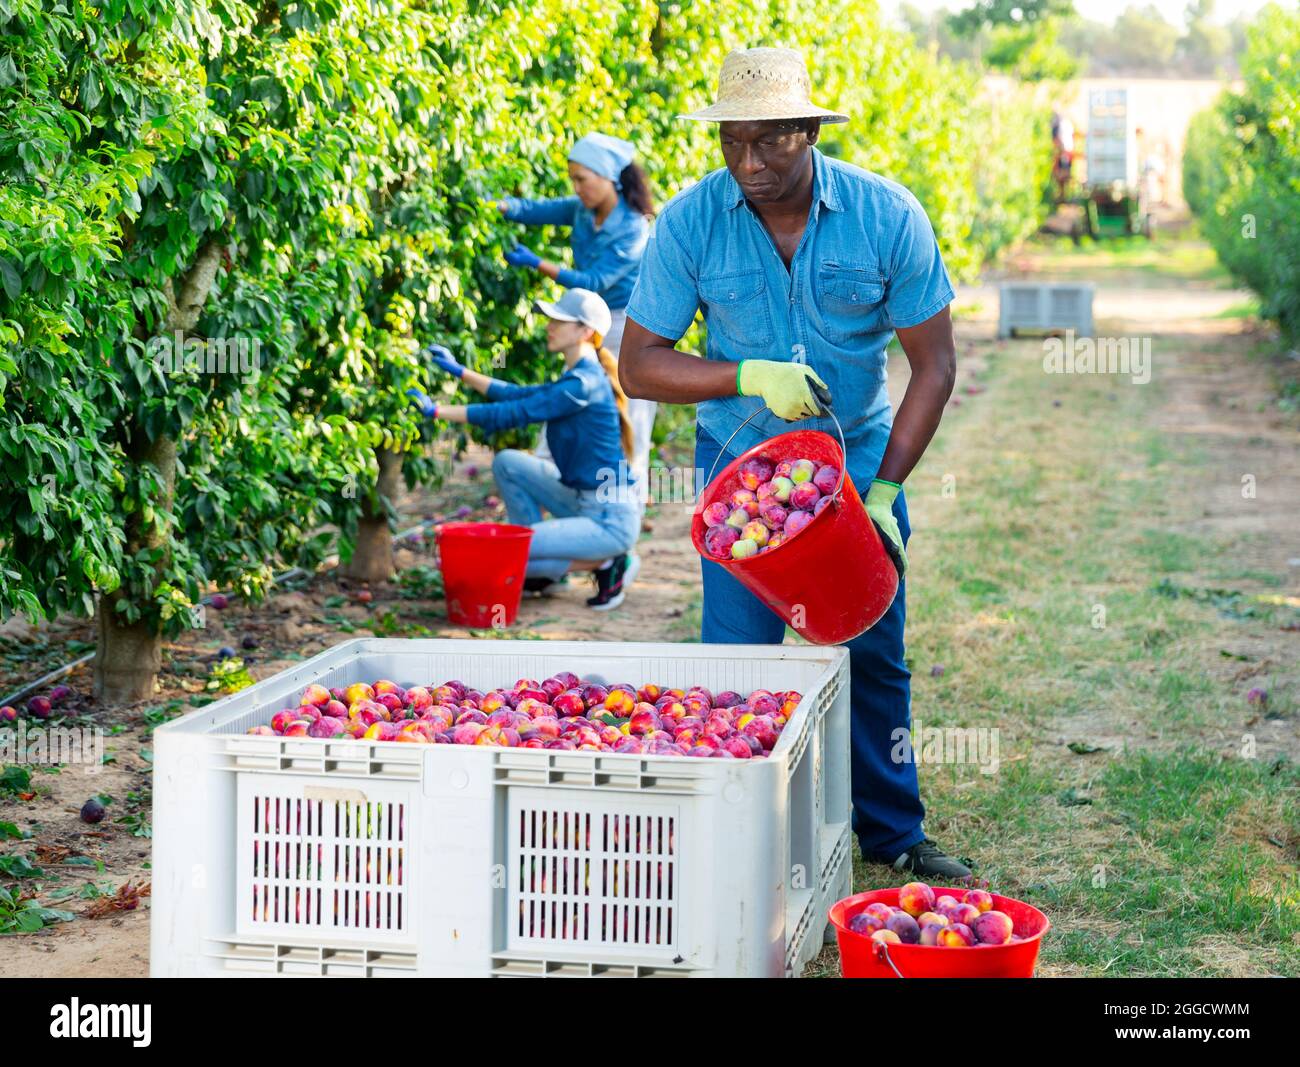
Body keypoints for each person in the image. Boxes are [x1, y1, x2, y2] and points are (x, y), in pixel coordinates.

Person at [619, 47, 970, 878]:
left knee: (869, 645)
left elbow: (937, 365)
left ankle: (891, 830)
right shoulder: (691, 221)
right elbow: (638, 364)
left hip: (854, 467)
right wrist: (746, 374)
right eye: (732, 144)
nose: (750, 165)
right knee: (739, 658)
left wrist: (884, 491)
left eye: (771, 142)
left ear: (809, 130)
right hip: (743, 466)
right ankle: (734, 832)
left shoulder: (886, 217)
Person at [408, 289, 641, 610]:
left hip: (609, 519)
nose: (549, 326)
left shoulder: (582, 385)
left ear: (585, 331)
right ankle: (543, 553)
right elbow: (517, 395)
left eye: (560, 320)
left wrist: (437, 412)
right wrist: (459, 371)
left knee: (505, 556)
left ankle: (609, 562)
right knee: (508, 462)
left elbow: (513, 414)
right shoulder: (575, 377)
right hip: (584, 501)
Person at [496, 133, 657, 509]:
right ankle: (562, 483)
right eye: (572, 179)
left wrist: (538, 263)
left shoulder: (633, 227)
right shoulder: (581, 210)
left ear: (608, 177)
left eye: (582, 179)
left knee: (629, 409)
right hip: (588, 317)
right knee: (576, 394)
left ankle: (627, 502)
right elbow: (535, 209)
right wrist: (500, 206)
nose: (577, 187)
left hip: (624, 323)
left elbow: (596, 281)